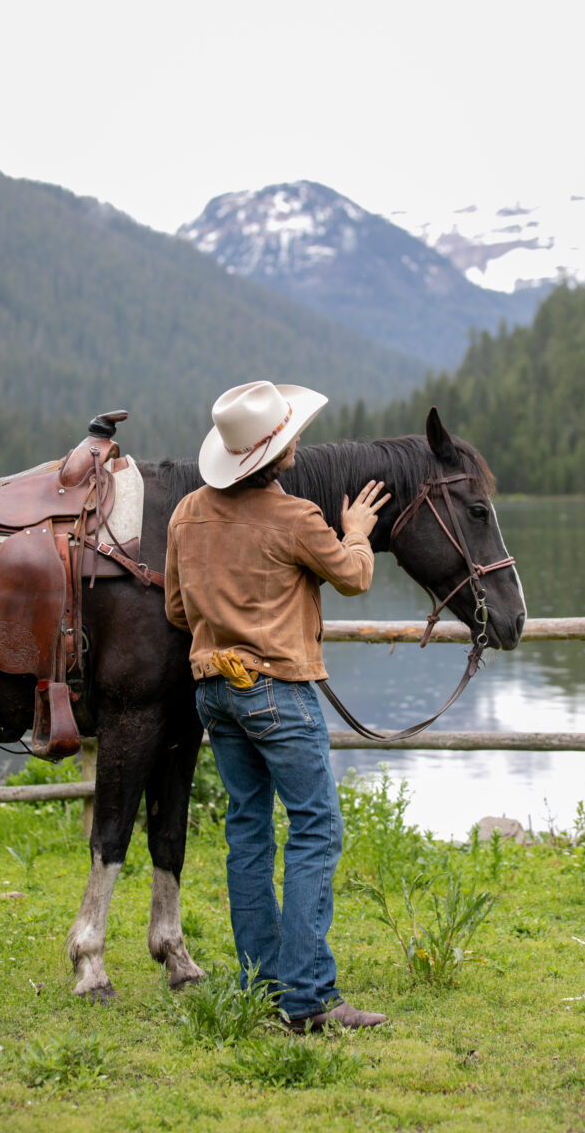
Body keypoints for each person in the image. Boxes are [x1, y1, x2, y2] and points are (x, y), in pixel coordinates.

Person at [164, 380, 390, 1031]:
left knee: (247, 831)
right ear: (276, 453)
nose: (296, 441)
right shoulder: (295, 518)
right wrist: (357, 533)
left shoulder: (186, 513)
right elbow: (354, 577)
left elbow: (177, 610)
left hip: (214, 689)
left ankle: (261, 988)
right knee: (316, 828)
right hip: (276, 691)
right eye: (288, 434)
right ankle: (308, 999)